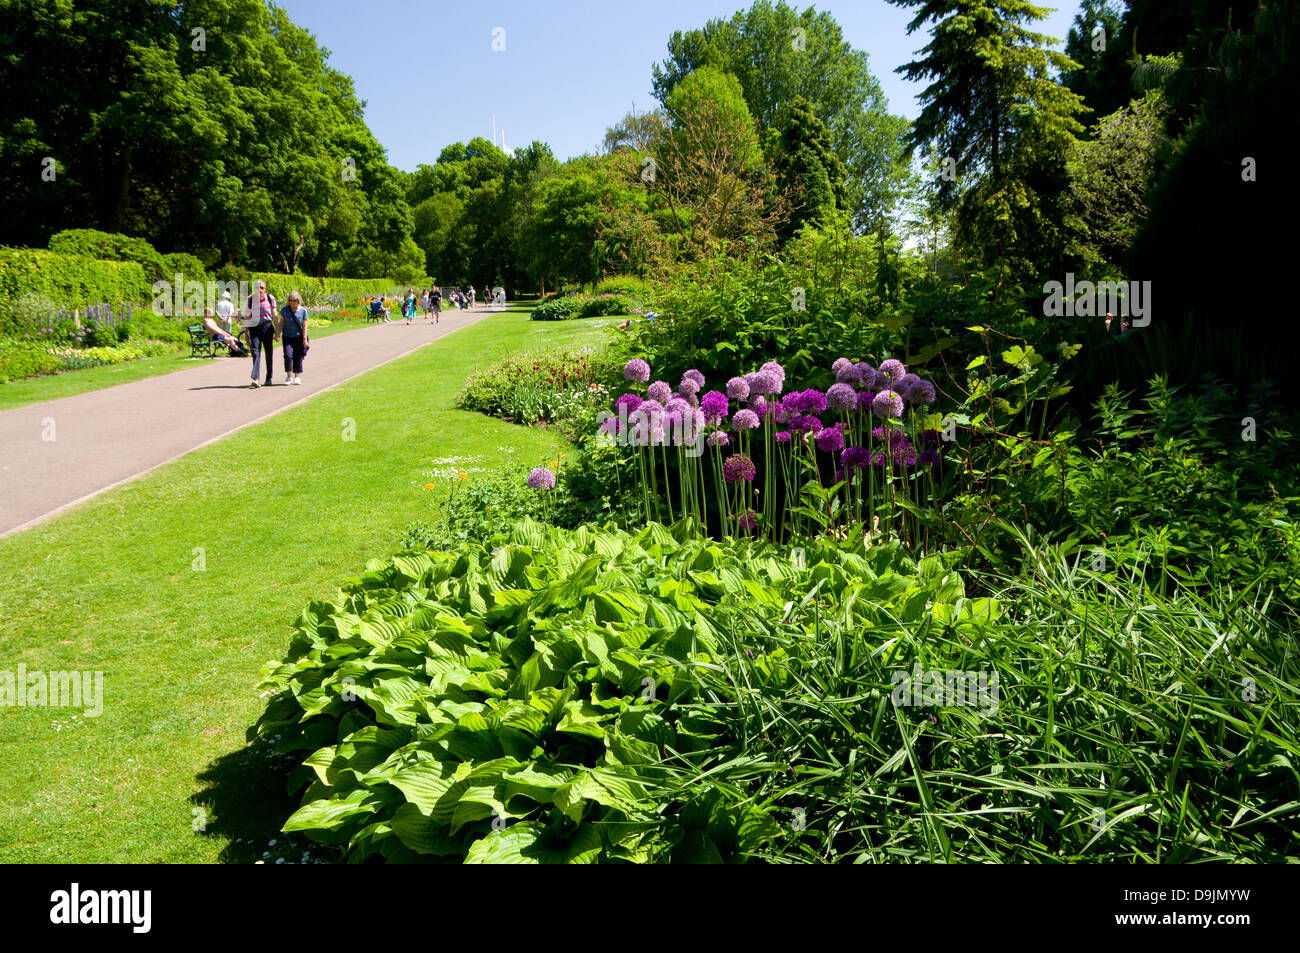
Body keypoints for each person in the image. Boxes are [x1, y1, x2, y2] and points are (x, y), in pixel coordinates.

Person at [243, 280, 278, 387]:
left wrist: (277, 331)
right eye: (257, 287)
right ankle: (256, 379)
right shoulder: (250, 300)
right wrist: (246, 332)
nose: (260, 290)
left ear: (265, 289)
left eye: (262, 288)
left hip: (267, 327)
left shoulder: (270, 298)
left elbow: (274, 315)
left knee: (268, 353)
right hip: (254, 327)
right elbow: (247, 316)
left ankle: (269, 378)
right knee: (255, 352)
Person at [278, 291, 309, 385]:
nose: (292, 302)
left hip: (298, 336)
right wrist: (277, 334)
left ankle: (297, 377)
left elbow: (304, 325)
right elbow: (281, 323)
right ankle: (288, 376)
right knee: (287, 355)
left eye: (294, 300)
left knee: (298, 356)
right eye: (290, 300)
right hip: (287, 336)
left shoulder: (303, 311)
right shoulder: (284, 309)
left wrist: (304, 338)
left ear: (298, 301)